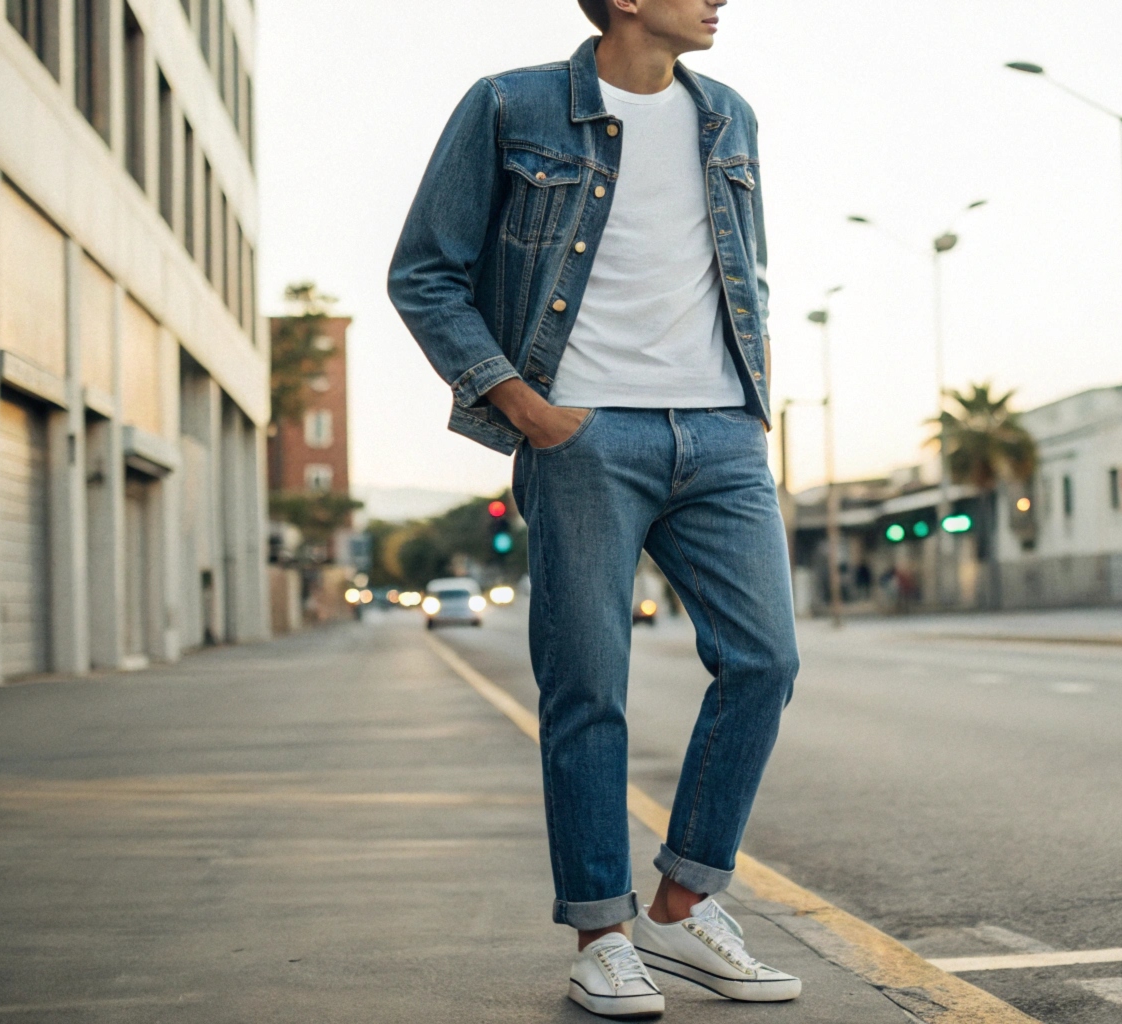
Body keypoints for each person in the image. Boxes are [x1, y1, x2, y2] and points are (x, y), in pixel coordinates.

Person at [387, 0, 800, 1017]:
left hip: (718, 435)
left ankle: (679, 905)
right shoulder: (511, 107)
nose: (718, 0)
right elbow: (423, 274)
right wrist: (519, 402)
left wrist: (749, 411)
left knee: (764, 659)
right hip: (583, 434)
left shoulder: (727, 116)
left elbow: (743, 272)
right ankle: (601, 935)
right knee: (586, 686)